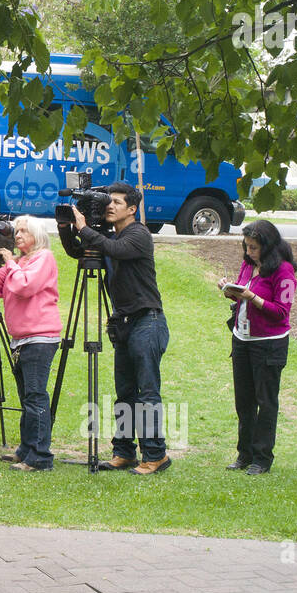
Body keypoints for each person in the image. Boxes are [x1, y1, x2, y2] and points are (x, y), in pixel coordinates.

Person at [58, 182, 171, 474]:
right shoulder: (109, 235)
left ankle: (156, 455)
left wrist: (85, 229)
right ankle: (124, 452)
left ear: (132, 209)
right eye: (108, 201)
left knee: (147, 392)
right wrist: (66, 225)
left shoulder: (138, 234)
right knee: (125, 392)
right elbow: (78, 252)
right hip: (123, 322)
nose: (110, 206)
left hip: (147, 321)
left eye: (117, 202)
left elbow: (114, 249)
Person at [0, 216, 61, 472]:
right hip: (21, 338)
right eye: (16, 231)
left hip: (40, 337)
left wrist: (10, 263)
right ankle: (27, 450)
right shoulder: (18, 262)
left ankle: (40, 457)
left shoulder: (44, 258)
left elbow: (24, 286)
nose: (17, 235)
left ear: (37, 236)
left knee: (35, 396)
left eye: (23, 231)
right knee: (27, 397)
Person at [217, 220, 297, 474]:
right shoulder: (248, 265)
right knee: (244, 401)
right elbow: (244, 295)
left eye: (254, 248)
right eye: (246, 247)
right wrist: (231, 291)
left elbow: (281, 312)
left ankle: (262, 458)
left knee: (266, 401)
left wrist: (253, 297)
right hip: (242, 339)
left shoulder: (284, 271)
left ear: (268, 246)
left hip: (269, 344)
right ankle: (244, 454)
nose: (249, 253)